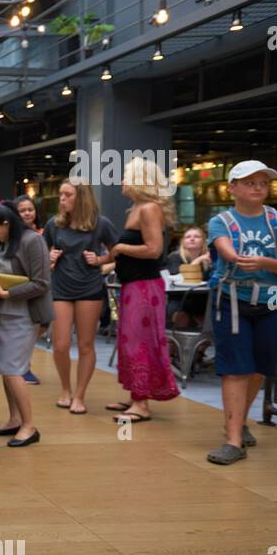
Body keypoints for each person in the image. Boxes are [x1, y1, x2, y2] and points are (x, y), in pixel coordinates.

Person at [205, 161, 277, 465]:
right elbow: (226, 250)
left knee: (261, 362)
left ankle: (239, 420)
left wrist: (264, 262)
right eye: (249, 182)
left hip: (274, 295)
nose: (258, 187)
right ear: (232, 188)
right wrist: (241, 258)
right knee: (236, 366)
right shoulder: (220, 221)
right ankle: (233, 440)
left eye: (263, 182)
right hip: (233, 295)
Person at [104, 157, 179, 423]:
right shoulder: (137, 208)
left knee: (140, 341)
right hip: (133, 285)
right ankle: (136, 394)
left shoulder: (149, 208)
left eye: (126, 176)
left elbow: (154, 249)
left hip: (145, 287)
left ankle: (141, 404)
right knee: (129, 341)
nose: (122, 181)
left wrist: (121, 249)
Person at [0, 200, 53, 447]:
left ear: (6, 223)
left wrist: (7, 294)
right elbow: (5, 277)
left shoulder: (32, 241)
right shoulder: (8, 241)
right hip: (6, 314)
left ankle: (29, 426)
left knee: (12, 370)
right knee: (7, 370)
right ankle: (14, 419)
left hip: (23, 316)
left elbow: (41, 283)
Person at [44, 179, 118, 414]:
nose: (62, 199)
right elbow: (40, 255)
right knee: (61, 344)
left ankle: (80, 395)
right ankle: (65, 389)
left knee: (86, 344)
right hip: (61, 288)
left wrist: (100, 260)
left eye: (67, 195)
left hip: (89, 288)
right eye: (61, 195)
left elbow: (118, 252)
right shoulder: (54, 225)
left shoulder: (100, 224)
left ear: (81, 197)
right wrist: (50, 258)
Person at [14, 195, 45, 384]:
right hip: (22, 286)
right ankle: (23, 366)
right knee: (27, 326)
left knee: (41, 325)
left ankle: (23, 363)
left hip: (43, 284)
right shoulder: (13, 234)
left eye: (30, 209)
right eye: (23, 210)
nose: (27, 213)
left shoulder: (43, 232)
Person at [165, 225, 212, 328]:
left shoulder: (209, 259)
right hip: (180, 300)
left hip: (202, 300)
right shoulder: (175, 257)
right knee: (180, 317)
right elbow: (183, 278)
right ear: (183, 242)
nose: (192, 239)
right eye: (188, 237)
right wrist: (199, 260)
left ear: (203, 242)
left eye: (197, 236)